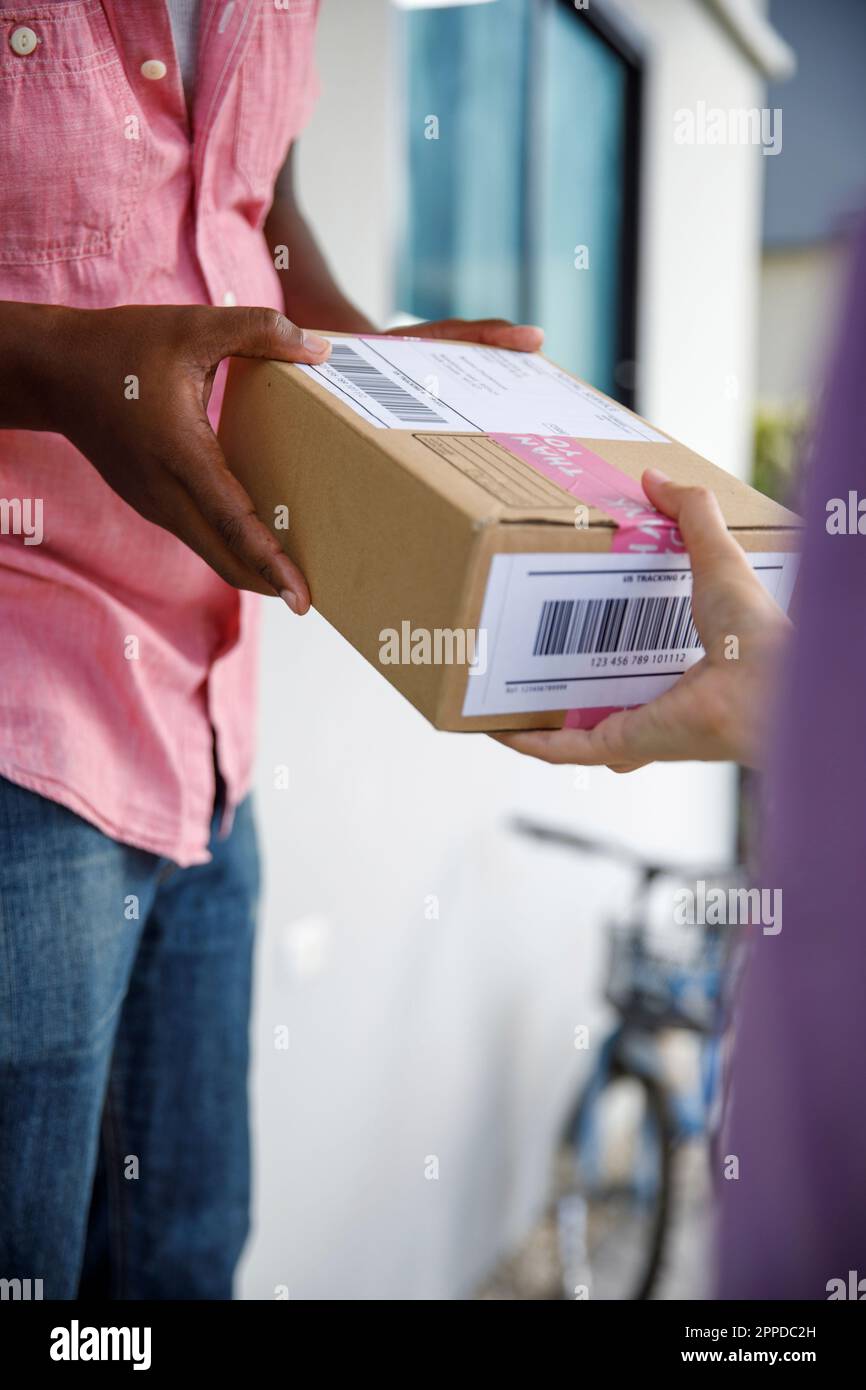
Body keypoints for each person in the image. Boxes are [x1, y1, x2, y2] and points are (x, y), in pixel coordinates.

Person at [0, 1, 541, 1300]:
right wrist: (69, 367)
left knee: (183, 1259)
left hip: (206, 723)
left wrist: (363, 366)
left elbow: (248, 207)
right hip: (21, 717)